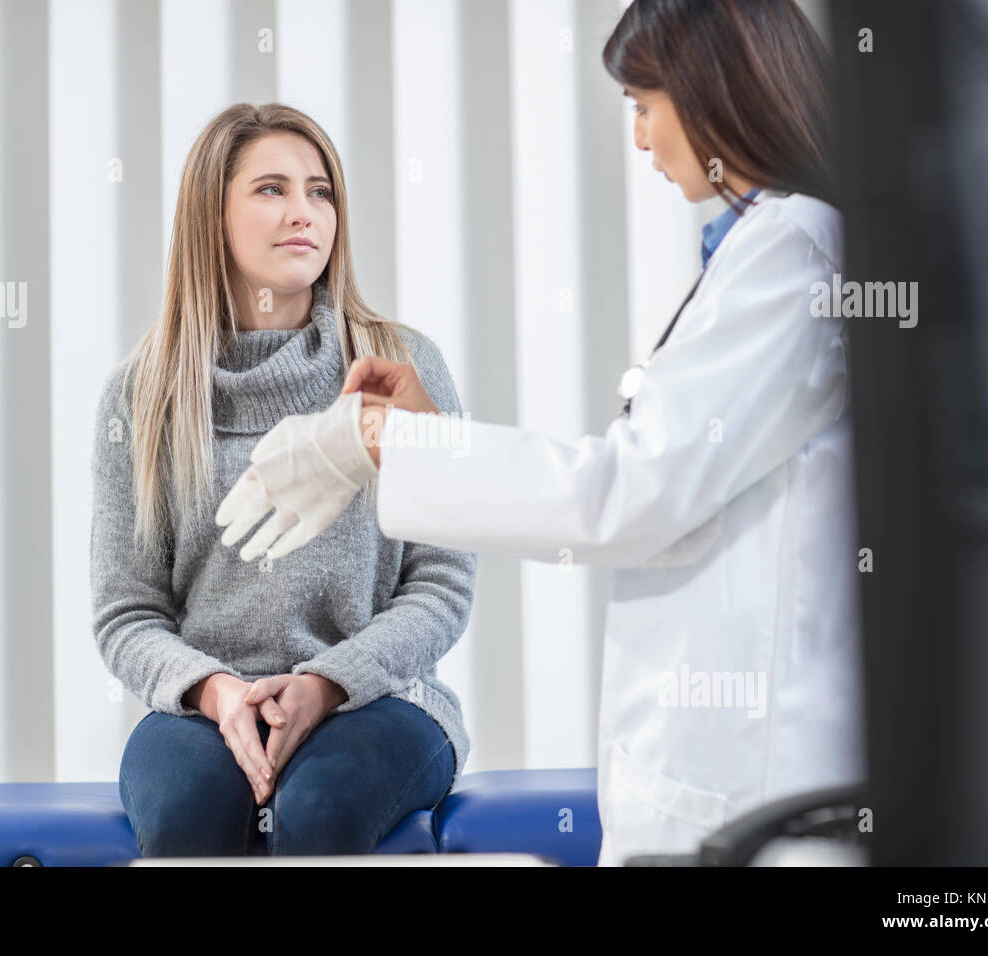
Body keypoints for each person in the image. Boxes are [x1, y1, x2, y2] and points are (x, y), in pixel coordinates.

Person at [216, 0, 865, 866]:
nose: (640, 141)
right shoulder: (760, 254)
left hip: (752, 773)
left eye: (644, 104)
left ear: (715, 90)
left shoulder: (795, 258)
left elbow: (628, 493)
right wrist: (424, 439)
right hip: (715, 766)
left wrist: (378, 439)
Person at [91, 102, 476, 857]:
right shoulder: (142, 394)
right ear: (213, 216)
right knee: (185, 811)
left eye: (320, 191)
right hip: (204, 707)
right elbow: (125, 611)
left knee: (324, 809)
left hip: (381, 698)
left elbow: (443, 585)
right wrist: (217, 692)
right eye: (271, 189)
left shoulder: (399, 368)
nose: (304, 212)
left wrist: (326, 682)